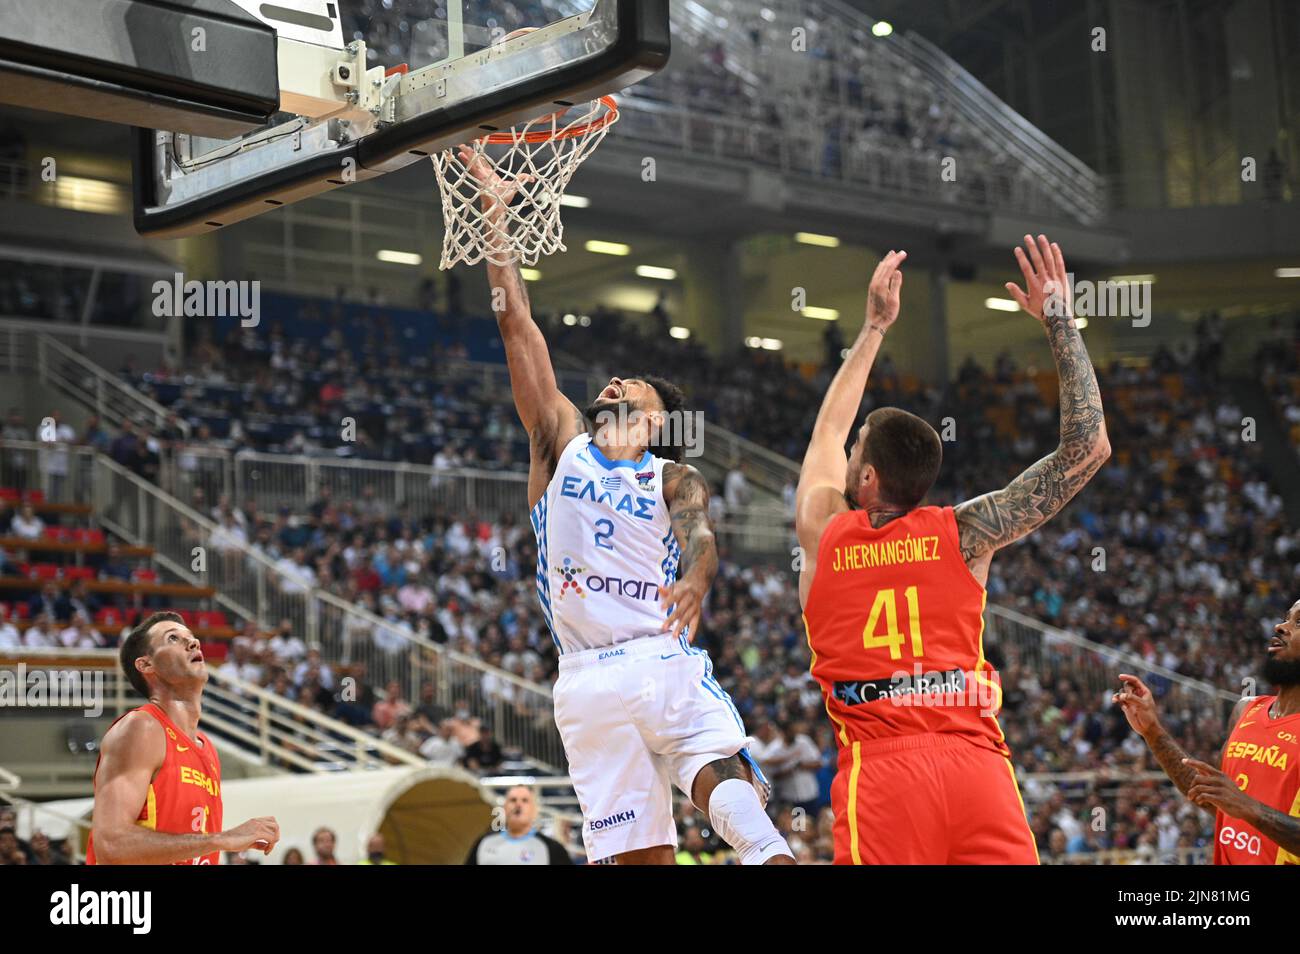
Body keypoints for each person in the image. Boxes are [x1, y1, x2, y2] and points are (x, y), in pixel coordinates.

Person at [458, 145, 792, 866]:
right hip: (596, 672)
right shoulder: (560, 439)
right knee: (675, 827)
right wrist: (493, 213)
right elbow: (517, 323)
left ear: (655, 423)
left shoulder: (671, 476)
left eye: (629, 387)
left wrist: (700, 574)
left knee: (732, 805)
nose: (611, 383)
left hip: (629, 663)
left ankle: (769, 854)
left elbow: (700, 531)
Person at [796, 237, 1110, 865]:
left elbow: (827, 428)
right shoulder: (967, 533)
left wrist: (875, 328)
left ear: (865, 479)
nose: (849, 446)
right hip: (975, 767)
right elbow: (1089, 448)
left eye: (860, 446)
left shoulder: (825, 529)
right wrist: (1058, 319)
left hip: (883, 775)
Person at [1114, 597, 1300, 865]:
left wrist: (1249, 807)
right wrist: (1153, 732)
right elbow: (1215, 800)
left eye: (1298, 622)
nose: (1281, 626)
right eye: (1286, 617)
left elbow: (1241, 805)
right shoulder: (1245, 710)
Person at [86, 611, 280, 864]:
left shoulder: (207, 747)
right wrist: (221, 839)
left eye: (191, 636)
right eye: (173, 639)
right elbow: (111, 846)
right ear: (146, 665)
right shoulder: (141, 727)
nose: (193, 642)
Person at [464, 785, 573, 865]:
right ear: (504, 808)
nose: (518, 804)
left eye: (525, 801)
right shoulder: (484, 843)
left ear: (534, 811)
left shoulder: (552, 849)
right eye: (513, 800)